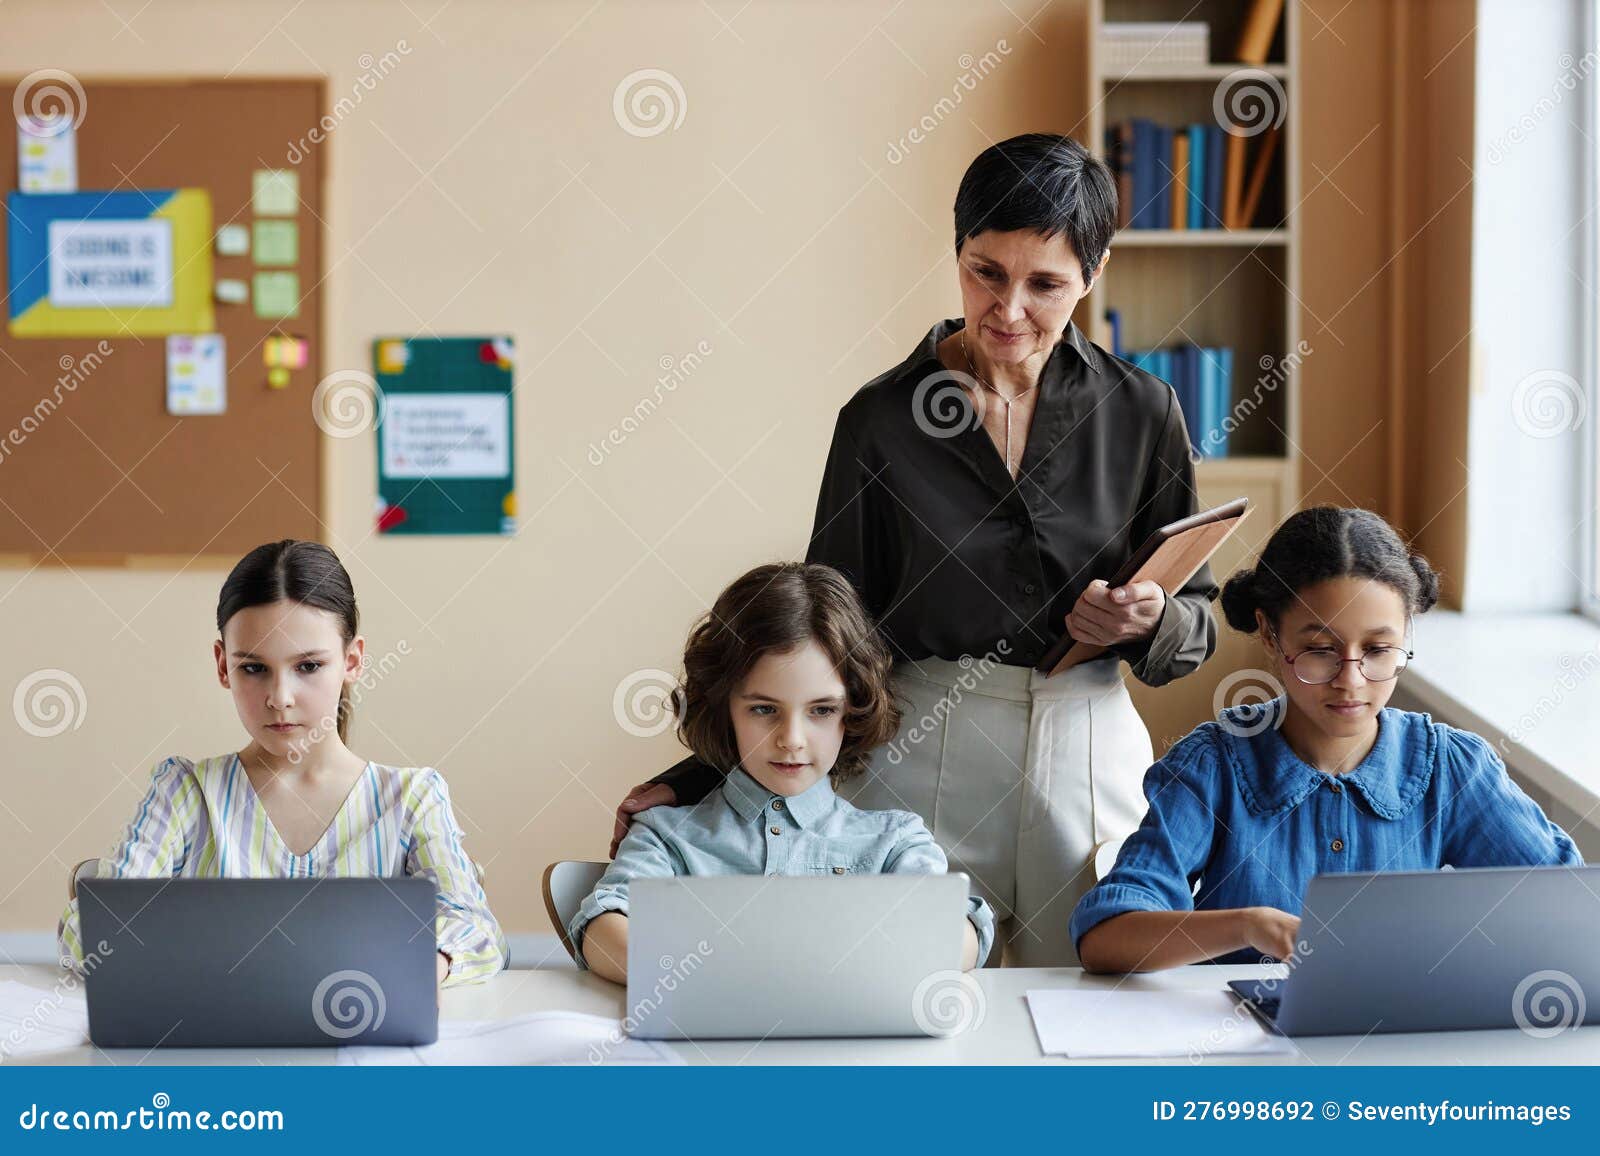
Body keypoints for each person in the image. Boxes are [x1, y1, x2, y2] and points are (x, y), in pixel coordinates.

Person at [613, 133, 1216, 966]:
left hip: (1089, 749)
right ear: (957, 253)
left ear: (1094, 271)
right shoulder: (880, 421)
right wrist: (697, 780)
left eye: (1045, 284)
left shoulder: (1143, 410)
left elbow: (1200, 622)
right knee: (907, 1001)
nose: (1008, 310)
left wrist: (1150, 621)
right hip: (919, 749)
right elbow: (818, 636)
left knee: (1089, 1017)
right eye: (985, 272)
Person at [1071, 507, 1583, 973]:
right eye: (1320, 649)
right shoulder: (1213, 766)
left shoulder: (1453, 767)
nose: (1351, 680)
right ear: (1271, 636)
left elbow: (1571, 904)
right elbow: (1104, 937)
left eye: (1380, 649)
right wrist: (1247, 926)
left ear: (1407, 633)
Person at [57, 539, 507, 988]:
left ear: (352, 661)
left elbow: (478, 931)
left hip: (362, 1048)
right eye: (254, 669)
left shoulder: (412, 799)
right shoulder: (186, 792)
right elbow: (90, 934)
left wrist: (430, 963)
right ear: (222, 665)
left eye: (308, 666)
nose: (280, 698)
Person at [574, 563, 995, 983]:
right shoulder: (666, 837)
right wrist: (727, 976)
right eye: (764, 709)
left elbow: (963, 931)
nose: (791, 739)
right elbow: (600, 927)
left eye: (822, 710)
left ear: (851, 713)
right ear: (724, 710)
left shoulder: (894, 843)